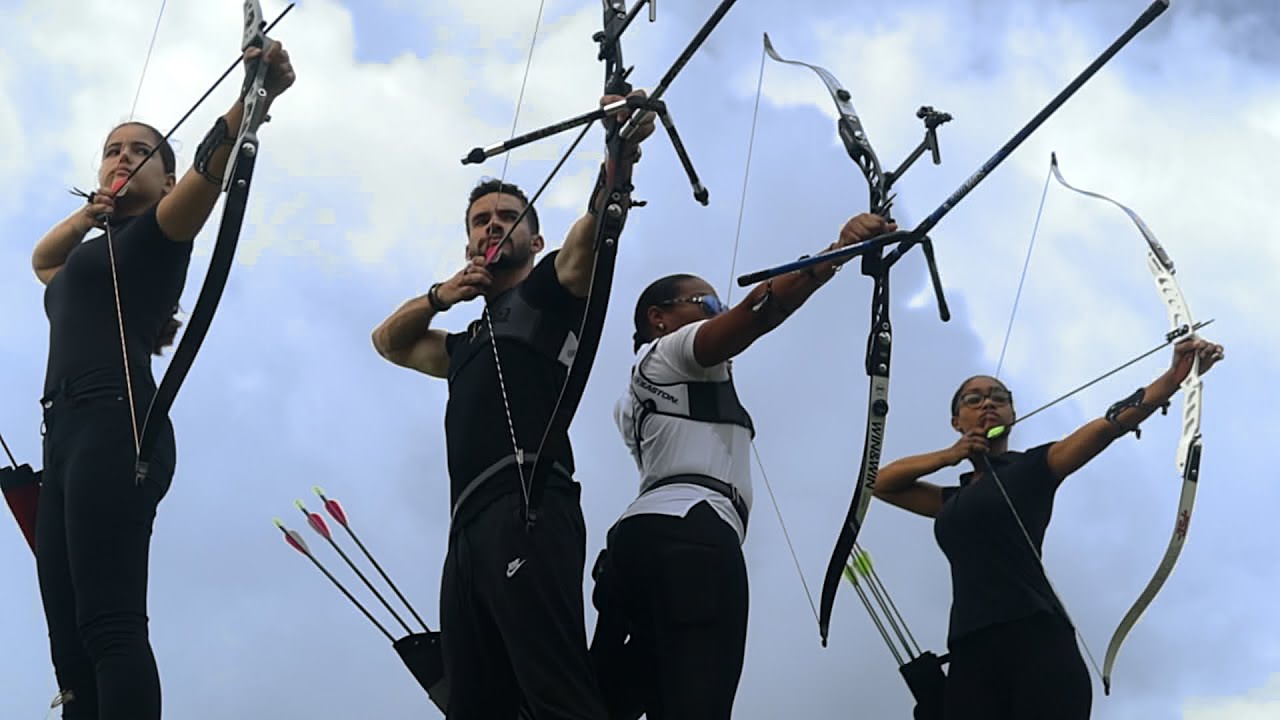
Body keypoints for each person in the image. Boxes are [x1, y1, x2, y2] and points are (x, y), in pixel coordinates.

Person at [28, 43, 295, 720]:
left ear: (167, 182)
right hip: (64, 438)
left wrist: (252, 101)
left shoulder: (158, 233)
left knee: (110, 625)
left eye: (141, 151)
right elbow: (42, 263)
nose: (122, 157)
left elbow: (212, 170)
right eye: (112, 149)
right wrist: (88, 215)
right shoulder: (92, 253)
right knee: (69, 646)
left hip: (114, 425)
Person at [371, 93, 655, 719]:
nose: (493, 225)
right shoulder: (466, 340)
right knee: (474, 705)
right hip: (467, 530)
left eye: (507, 216)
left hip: (529, 503)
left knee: (555, 688)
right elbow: (388, 343)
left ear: (534, 235)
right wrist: (439, 296)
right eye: (481, 220)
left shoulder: (550, 293)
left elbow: (591, 239)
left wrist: (617, 159)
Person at [589, 213, 899, 719]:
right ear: (658, 317)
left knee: (610, 702)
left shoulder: (635, 395)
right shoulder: (671, 352)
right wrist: (834, 253)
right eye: (707, 304)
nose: (720, 312)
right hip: (695, 535)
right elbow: (758, 313)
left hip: (636, 544)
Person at [871, 338, 1226, 719]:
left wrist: (1173, 378)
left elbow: (1109, 426)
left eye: (999, 398)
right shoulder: (949, 500)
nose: (988, 403)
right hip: (969, 651)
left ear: (1012, 414)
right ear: (957, 420)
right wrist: (950, 455)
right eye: (973, 400)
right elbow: (880, 483)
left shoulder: (1034, 468)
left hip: (1036, 641)